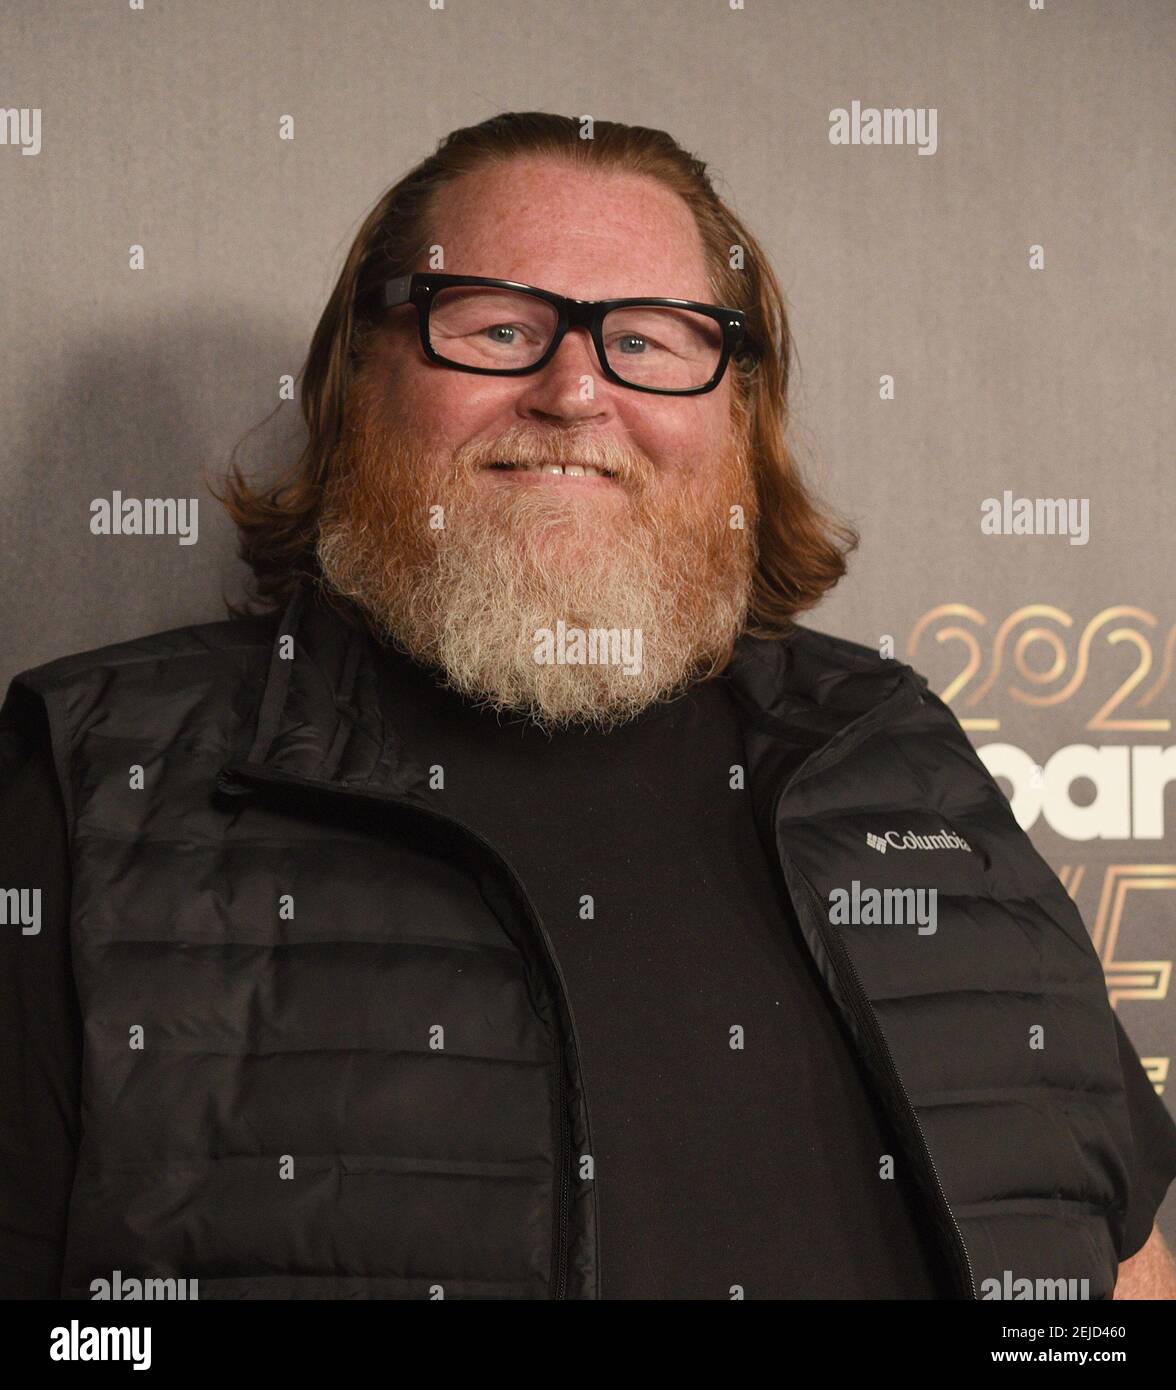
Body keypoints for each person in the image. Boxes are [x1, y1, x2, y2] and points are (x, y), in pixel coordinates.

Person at [2, 111, 1174, 1301]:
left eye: (653, 342)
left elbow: (1117, 1264)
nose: (574, 390)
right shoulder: (94, 784)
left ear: (738, 417)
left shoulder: (899, 753)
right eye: (497, 327)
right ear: (360, 378)